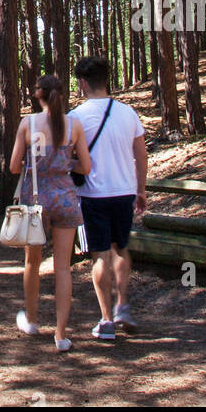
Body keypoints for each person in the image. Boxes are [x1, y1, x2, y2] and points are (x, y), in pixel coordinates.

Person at [9, 75, 91, 351]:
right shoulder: (74, 126)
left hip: (35, 200)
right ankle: (61, 335)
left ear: (38, 95)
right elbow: (85, 168)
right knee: (63, 268)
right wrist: (64, 161)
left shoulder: (27, 124)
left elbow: (13, 167)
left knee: (32, 262)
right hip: (65, 198)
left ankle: (31, 320)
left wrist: (37, 164)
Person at [70, 55, 148, 340]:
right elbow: (140, 154)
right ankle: (123, 305)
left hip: (92, 194)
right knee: (121, 248)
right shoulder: (128, 113)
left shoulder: (76, 117)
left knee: (99, 254)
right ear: (106, 80)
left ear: (82, 83)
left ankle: (105, 320)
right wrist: (140, 189)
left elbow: (65, 156)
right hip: (124, 191)